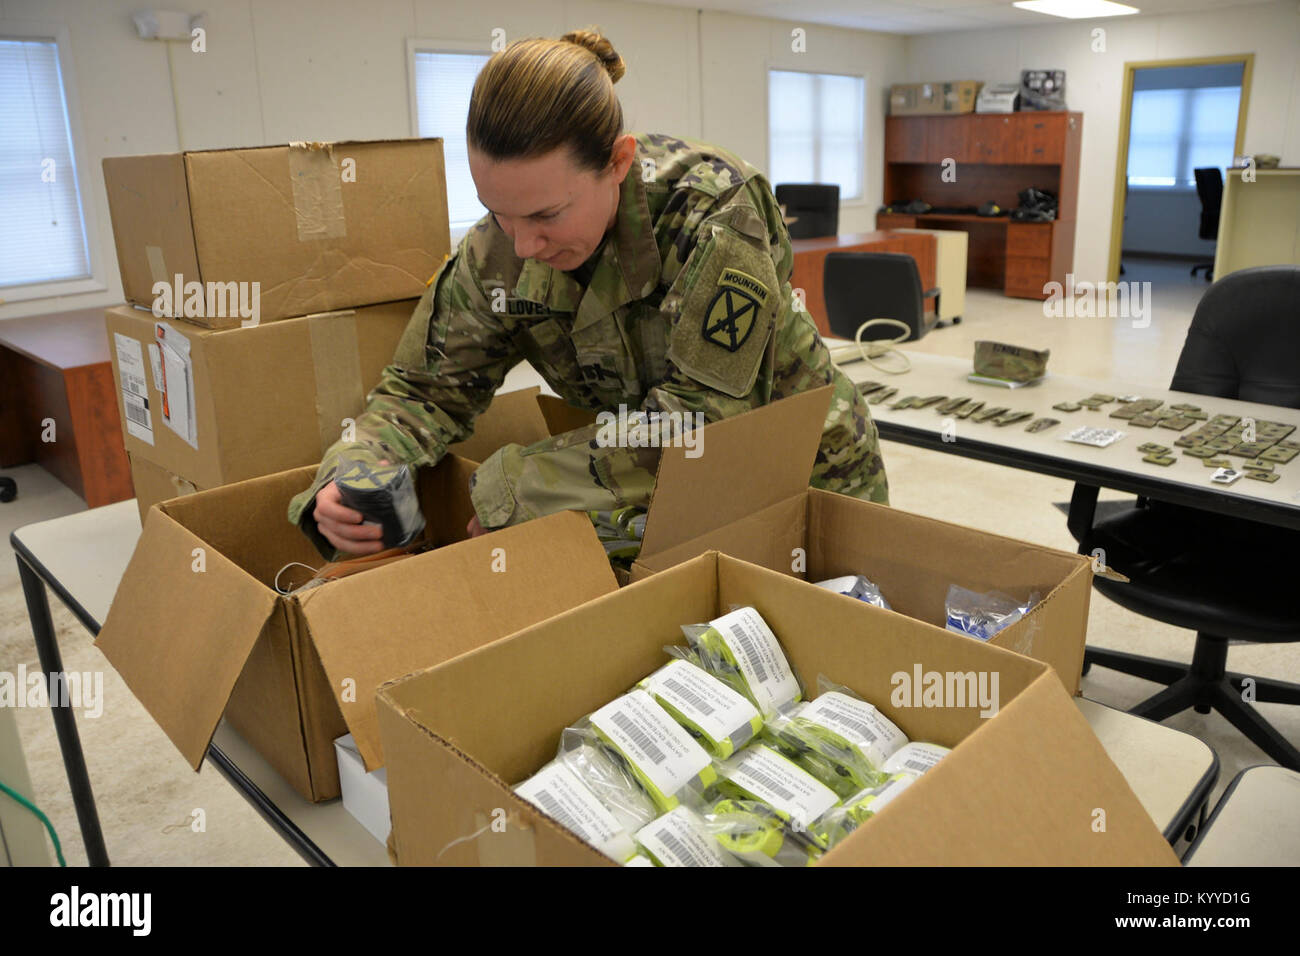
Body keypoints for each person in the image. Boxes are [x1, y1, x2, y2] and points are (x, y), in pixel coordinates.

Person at [288, 28, 888, 559]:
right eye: (497, 211)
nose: (523, 244)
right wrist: (356, 471)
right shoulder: (495, 252)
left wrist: (519, 489)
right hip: (646, 492)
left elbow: (704, 422)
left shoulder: (714, 213)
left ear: (618, 162)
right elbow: (423, 391)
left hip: (810, 472)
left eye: (547, 213)